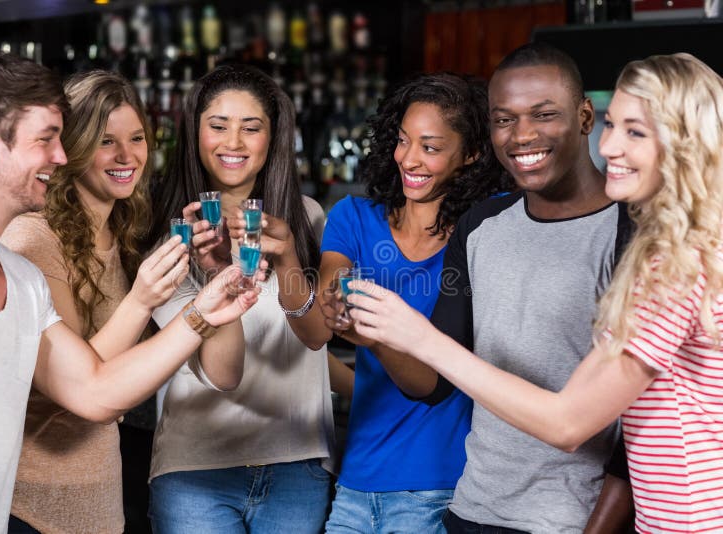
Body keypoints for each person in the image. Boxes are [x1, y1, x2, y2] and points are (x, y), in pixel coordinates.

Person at [345, 52, 723, 534]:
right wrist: (391, 336)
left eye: (635, 132)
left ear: (686, 143)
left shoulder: (678, 262)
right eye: (614, 126)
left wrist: (420, 337)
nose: (609, 146)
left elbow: (568, 423)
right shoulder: (674, 251)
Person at [0, 50, 263, 534]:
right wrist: (148, 301)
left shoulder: (20, 279)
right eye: (46, 139)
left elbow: (94, 391)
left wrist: (204, 309)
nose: (61, 156)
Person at [144, 63, 335, 533]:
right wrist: (216, 274)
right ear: (195, 133)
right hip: (196, 470)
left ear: (273, 138)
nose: (234, 142)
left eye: (251, 128)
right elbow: (221, 373)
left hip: (297, 464)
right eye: (218, 126)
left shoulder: (308, 218)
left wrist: (288, 256)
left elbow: (316, 336)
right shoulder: (171, 236)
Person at [317, 72, 509, 532]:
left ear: (471, 153)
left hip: (443, 485)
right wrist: (333, 301)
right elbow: (330, 288)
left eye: (430, 146)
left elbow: (429, 381)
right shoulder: (353, 217)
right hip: (356, 481)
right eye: (403, 141)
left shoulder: (488, 231)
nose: (409, 158)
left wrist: (373, 334)